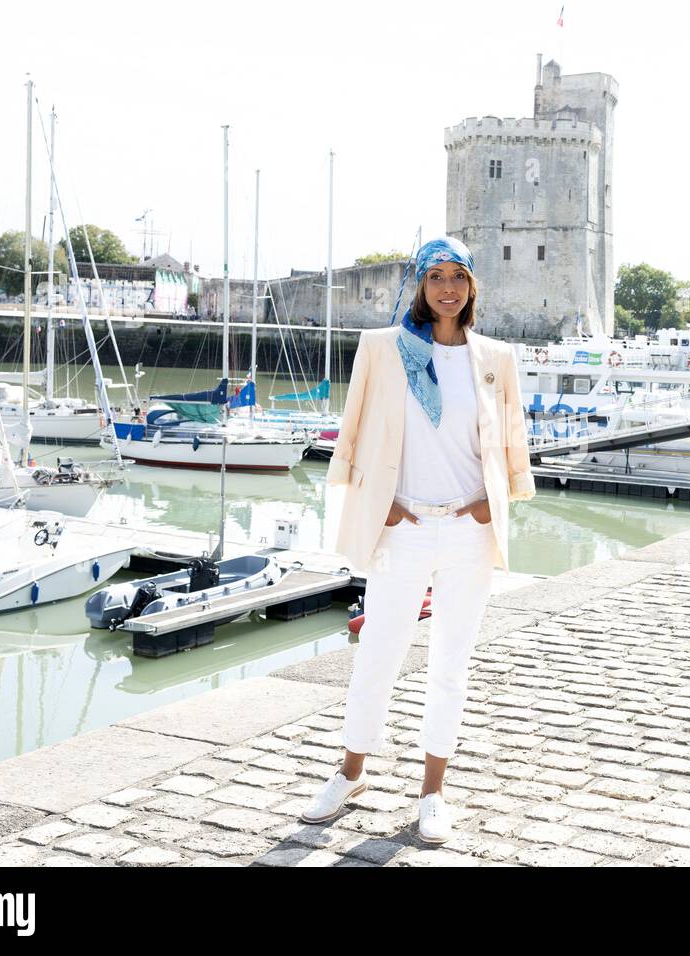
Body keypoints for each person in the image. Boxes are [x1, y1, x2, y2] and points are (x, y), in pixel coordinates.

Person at [302, 236, 536, 845]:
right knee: (378, 653)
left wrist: (496, 501)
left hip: (468, 529)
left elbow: (512, 440)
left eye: (458, 275)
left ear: (472, 285)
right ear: (419, 284)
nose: (448, 288)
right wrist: (379, 510)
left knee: (450, 663)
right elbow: (352, 432)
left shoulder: (495, 357)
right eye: (435, 276)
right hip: (401, 525)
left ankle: (433, 791)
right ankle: (349, 772)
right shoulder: (382, 349)